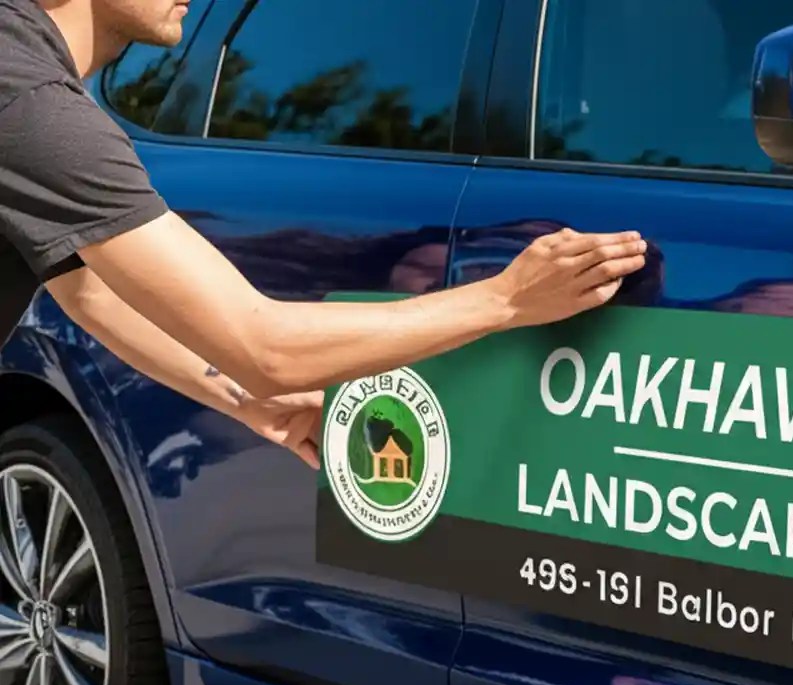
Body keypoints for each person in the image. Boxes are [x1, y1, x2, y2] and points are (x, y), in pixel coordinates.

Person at [0, 0, 648, 468]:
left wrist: (242, 396)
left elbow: (88, 291)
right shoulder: (29, 105)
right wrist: (505, 299)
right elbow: (266, 346)